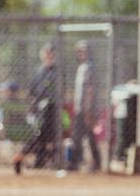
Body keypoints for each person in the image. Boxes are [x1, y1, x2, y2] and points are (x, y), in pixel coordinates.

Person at [13, 43, 59, 173]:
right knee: (39, 134)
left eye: (51, 53)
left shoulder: (56, 71)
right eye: (46, 53)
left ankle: (41, 161)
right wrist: (32, 105)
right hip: (41, 110)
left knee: (49, 136)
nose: (48, 56)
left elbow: (57, 91)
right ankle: (22, 156)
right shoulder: (39, 71)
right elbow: (32, 91)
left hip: (53, 108)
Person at [68, 40, 101, 172]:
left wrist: (88, 111)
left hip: (86, 109)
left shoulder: (89, 68)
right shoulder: (82, 67)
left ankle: (74, 163)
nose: (81, 53)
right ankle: (96, 162)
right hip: (80, 108)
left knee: (78, 136)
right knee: (87, 136)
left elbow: (90, 91)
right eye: (79, 51)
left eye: (84, 51)